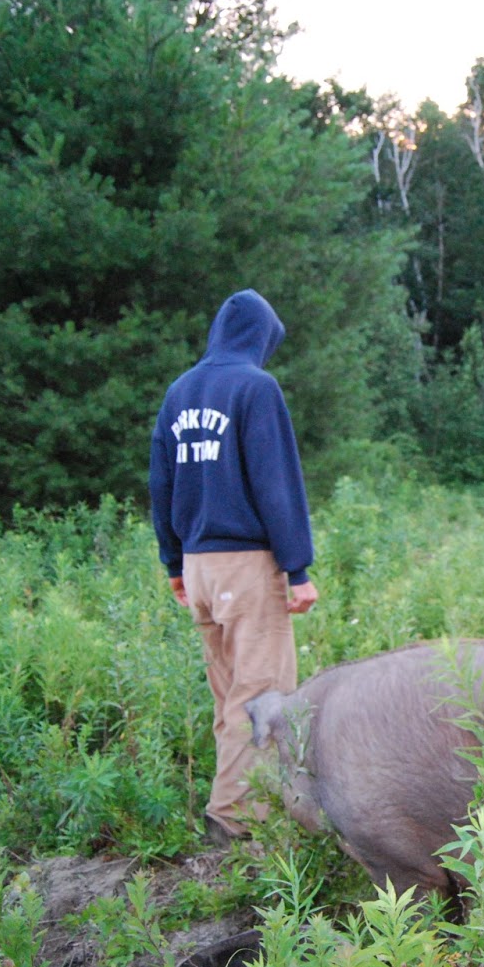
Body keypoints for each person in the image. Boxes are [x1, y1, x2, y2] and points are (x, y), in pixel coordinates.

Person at [149, 288, 319, 842]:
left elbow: (161, 483)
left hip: (199, 565)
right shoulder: (255, 387)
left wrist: (173, 561)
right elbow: (276, 483)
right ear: (261, 337)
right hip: (247, 567)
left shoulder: (181, 391)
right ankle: (242, 826)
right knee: (263, 697)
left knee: (230, 699)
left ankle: (231, 808)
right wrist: (297, 568)